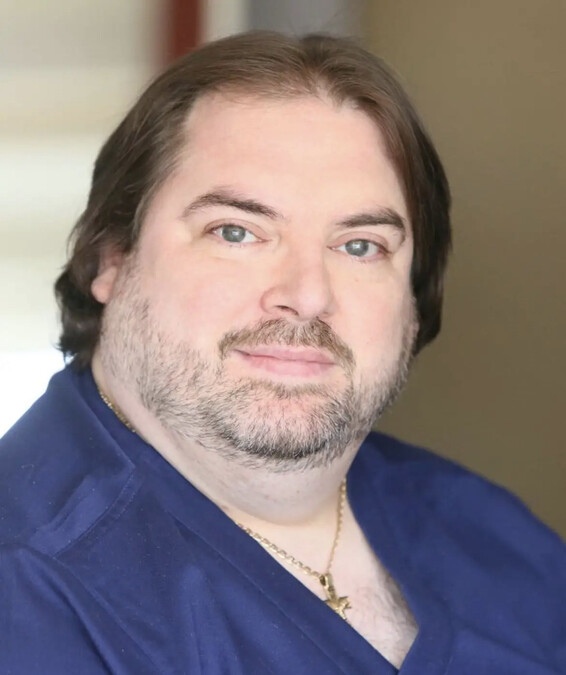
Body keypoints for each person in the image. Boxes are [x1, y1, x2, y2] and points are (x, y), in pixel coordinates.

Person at [1, 31, 565, 675]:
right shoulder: (25, 585)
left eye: (360, 246)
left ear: (414, 297)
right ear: (111, 259)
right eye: (236, 232)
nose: (307, 296)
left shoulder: (494, 535)